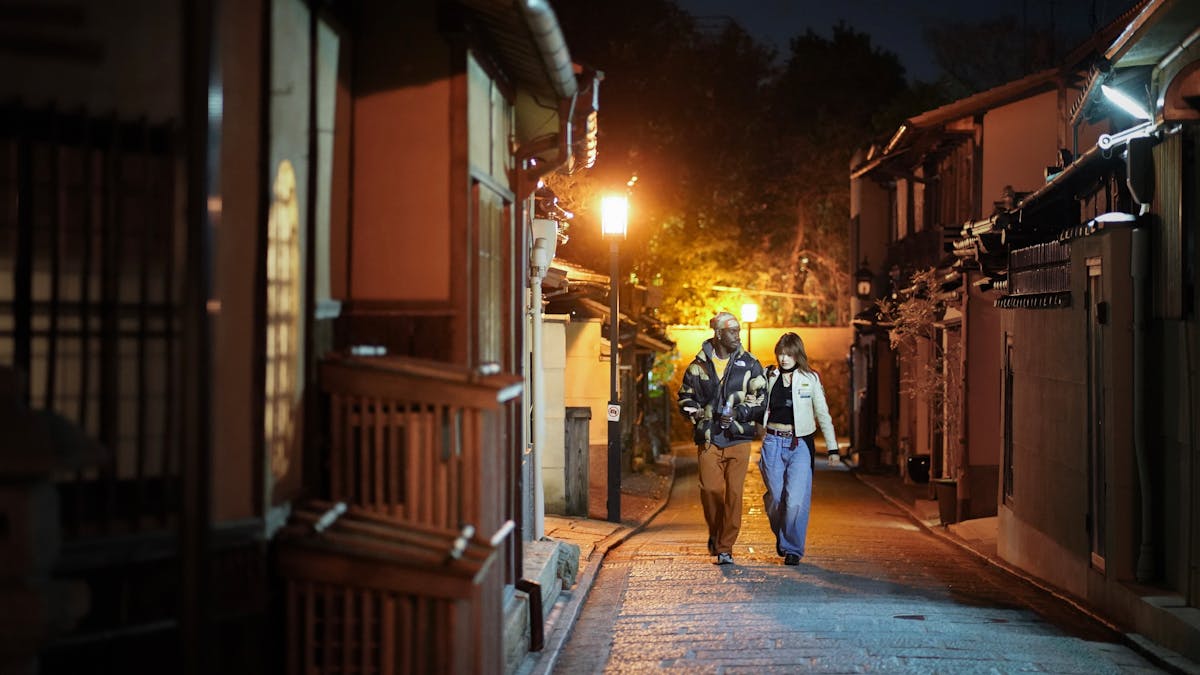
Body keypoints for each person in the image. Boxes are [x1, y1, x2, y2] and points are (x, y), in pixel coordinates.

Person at [678, 311, 765, 564]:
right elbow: (685, 397)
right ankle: (716, 533)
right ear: (718, 333)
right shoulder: (698, 365)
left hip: (738, 438)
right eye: (732, 331)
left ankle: (725, 547)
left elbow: (760, 398)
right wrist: (693, 412)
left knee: (735, 494)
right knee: (710, 490)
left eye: (739, 330)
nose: (738, 335)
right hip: (709, 437)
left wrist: (739, 413)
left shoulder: (750, 363)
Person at [747, 332, 840, 566]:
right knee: (777, 498)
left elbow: (823, 414)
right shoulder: (769, 375)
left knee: (795, 501)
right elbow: (751, 398)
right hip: (772, 442)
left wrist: (832, 448)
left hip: (799, 444)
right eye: (780, 353)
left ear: (798, 354)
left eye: (789, 354)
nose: (784, 358)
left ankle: (792, 549)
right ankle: (784, 535)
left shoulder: (810, 378)